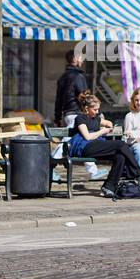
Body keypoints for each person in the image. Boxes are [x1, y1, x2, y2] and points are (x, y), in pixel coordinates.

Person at [69, 91, 140, 198]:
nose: (97, 112)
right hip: (84, 147)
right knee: (121, 144)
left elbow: (108, 123)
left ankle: (108, 187)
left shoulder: (96, 119)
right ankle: (138, 172)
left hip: (96, 146)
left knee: (120, 156)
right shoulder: (80, 118)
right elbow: (87, 136)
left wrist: (109, 125)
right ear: (86, 108)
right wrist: (102, 131)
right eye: (94, 109)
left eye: (98, 109)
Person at [54, 49, 103, 181]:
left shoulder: (63, 77)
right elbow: (85, 97)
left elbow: (58, 100)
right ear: (75, 59)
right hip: (76, 113)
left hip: (67, 113)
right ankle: (49, 165)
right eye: (81, 57)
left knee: (81, 140)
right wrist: (96, 113)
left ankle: (93, 171)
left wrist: (57, 117)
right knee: (67, 141)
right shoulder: (78, 77)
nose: (83, 59)